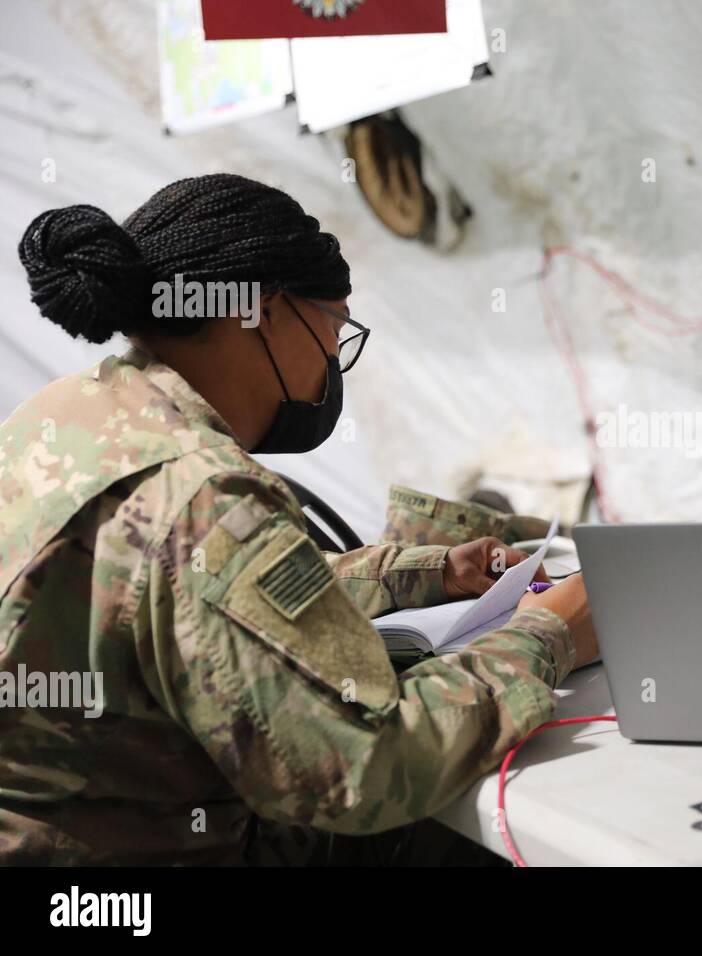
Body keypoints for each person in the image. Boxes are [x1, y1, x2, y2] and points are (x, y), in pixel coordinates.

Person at [0, 173, 597, 864]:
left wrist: (419, 573)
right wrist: (550, 635)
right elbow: (359, 771)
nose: (334, 363)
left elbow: (190, 603)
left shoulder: (67, 417)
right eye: (336, 329)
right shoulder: (198, 492)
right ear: (267, 313)